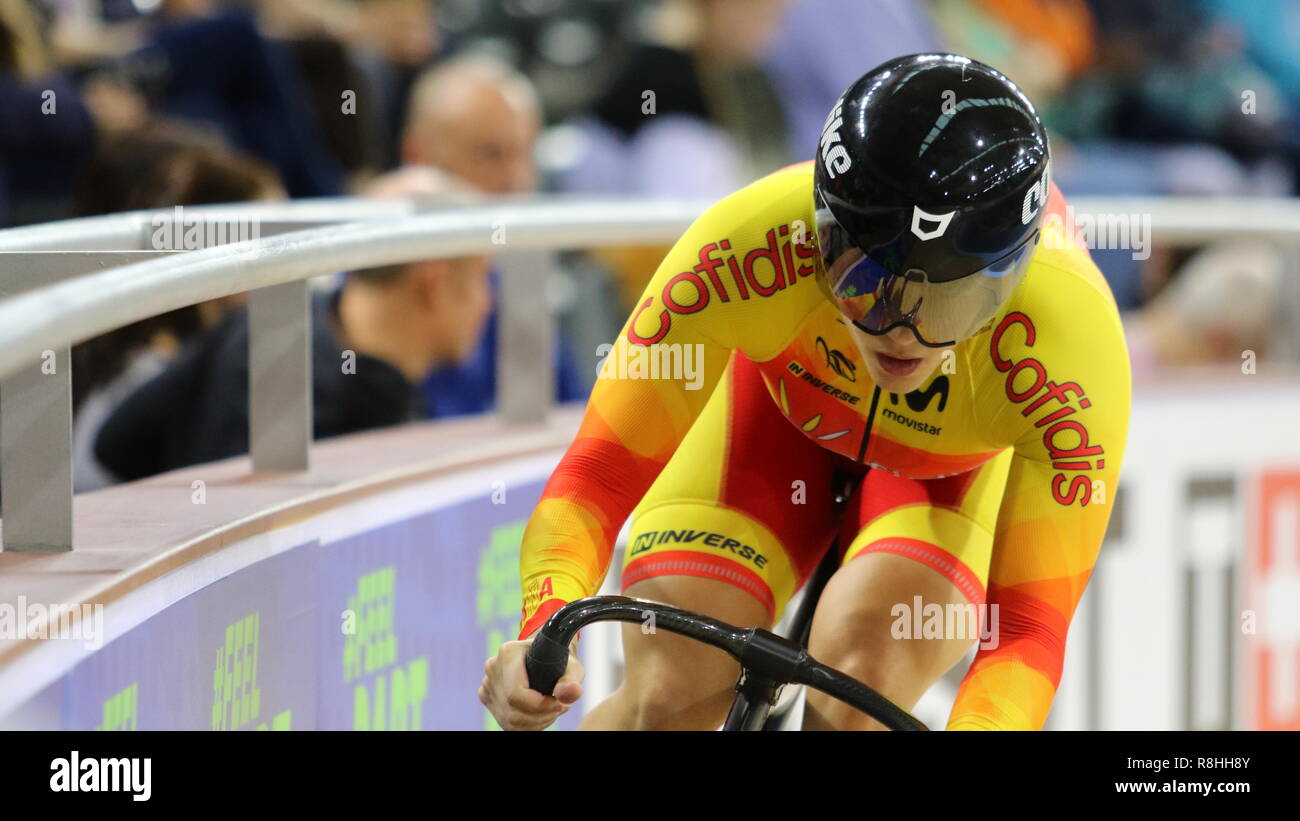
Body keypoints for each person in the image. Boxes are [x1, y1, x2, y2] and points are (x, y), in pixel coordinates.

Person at [480, 53, 1131, 731]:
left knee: (862, 674)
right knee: (673, 683)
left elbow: (1026, 631)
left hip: (948, 476)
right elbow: (599, 475)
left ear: (1012, 279)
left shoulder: (1071, 342)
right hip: (774, 422)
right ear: (819, 233)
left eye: (948, 302)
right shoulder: (749, 240)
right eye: (861, 280)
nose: (899, 334)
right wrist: (541, 628)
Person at [93, 233, 492, 481]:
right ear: (433, 284)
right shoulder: (295, 376)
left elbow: (118, 441)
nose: (487, 305)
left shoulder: (266, 322)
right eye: (480, 279)